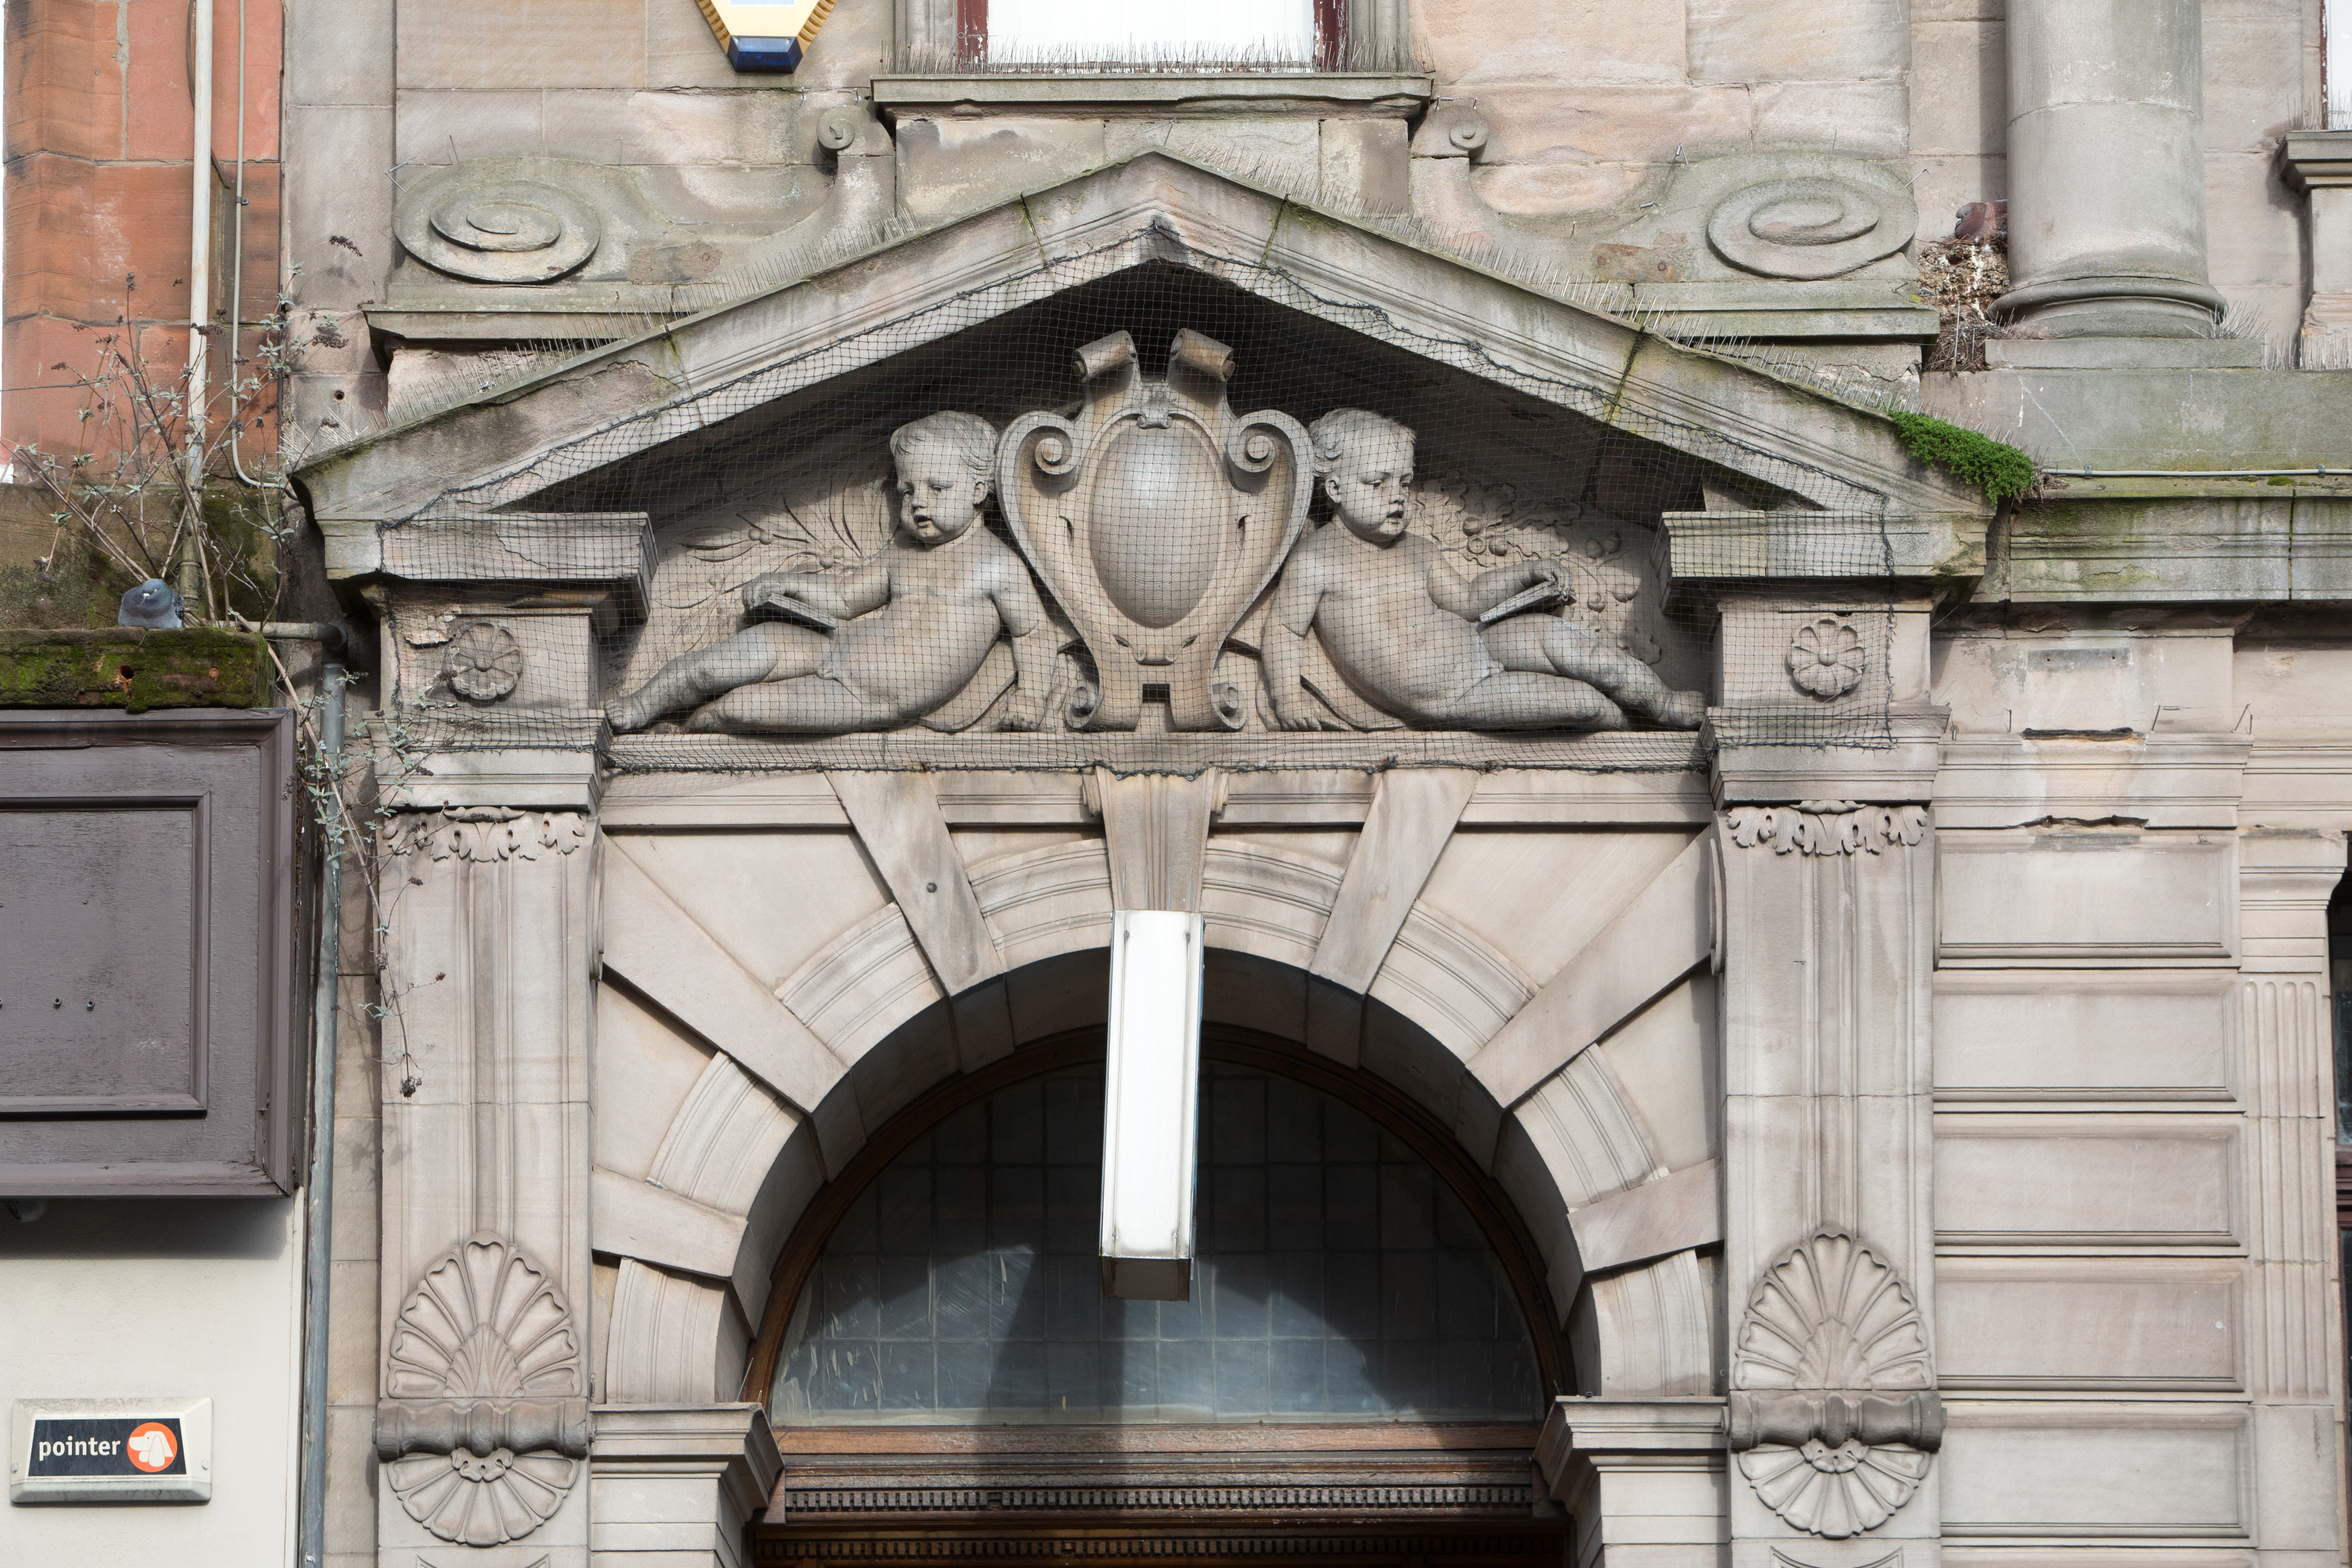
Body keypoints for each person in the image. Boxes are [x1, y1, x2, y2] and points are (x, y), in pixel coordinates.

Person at [607, 412, 1056, 734]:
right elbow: (845, 599)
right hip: (838, 647)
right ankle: (645, 703)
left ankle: (683, 732)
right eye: (907, 490)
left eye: (937, 488)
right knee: (717, 665)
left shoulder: (997, 565)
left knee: (740, 709)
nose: (919, 503)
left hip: (870, 698)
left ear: (979, 490)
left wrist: (1032, 697)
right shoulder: (903, 550)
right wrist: (788, 584)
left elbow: (1034, 632)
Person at [1261, 408, 1705, 732]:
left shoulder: (1415, 549)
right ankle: (1639, 731)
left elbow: (1469, 600)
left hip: (1480, 642)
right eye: (1377, 483)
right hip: (1451, 695)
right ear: (1334, 487)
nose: (1396, 496)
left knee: (1572, 646)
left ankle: (1663, 703)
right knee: (1586, 704)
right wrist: (1286, 697)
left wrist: (1528, 572)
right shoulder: (1316, 562)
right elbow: (1283, 629)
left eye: (1404, 482)